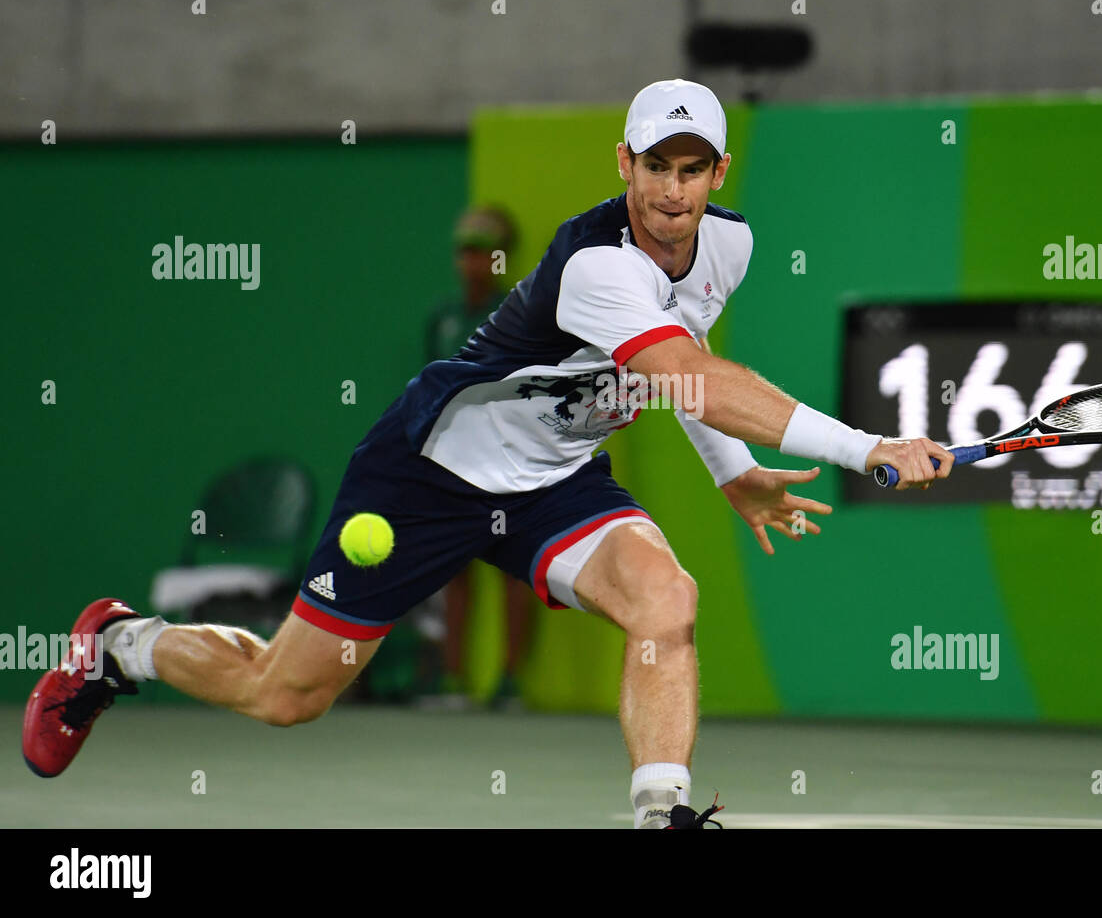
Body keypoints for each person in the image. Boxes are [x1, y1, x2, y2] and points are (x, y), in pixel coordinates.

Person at [23, 79, 953, 828]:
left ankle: (662, 814)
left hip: (555, 478)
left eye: (694, 169)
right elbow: (692, 375)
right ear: (624, 163)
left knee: (666, 598)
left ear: (719, 172)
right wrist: (868, 446)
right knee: (286, 696)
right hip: (429, 473)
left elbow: (686, 363)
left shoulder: (729, 246)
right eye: (656, 167)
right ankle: (117, 645)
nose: (673, 192)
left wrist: (733, 473)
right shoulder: (597, 266)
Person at [419, 204, 535, 710]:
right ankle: (453, 681)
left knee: (514, 569)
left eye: (483, 253)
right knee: (455, 568)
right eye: (464, 252)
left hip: (511, 462)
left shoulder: (520, 312)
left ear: (501, 259)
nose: (471, 262)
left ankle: (510, 683)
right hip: (451, 462)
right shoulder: (442, 320)